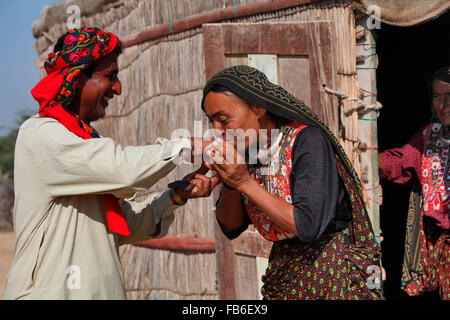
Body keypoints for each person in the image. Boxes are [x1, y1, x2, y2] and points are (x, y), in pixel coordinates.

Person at [4, 27, 218, 299]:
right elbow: (123, 170)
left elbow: (123, 224)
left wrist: (175, 196)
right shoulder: (40, 135)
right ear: (77, 77)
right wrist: (186, 145)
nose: (117, 88)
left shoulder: (83, 142)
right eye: (110, 76)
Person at [201, 65, 382, 300]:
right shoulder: (248, 151)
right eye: (211, 121)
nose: (217, 131)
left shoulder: (308, 141)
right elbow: (231, 227)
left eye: (223, 120)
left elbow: (307, 224)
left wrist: (244, 181)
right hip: (285, 276)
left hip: (332, 275)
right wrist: (229, 181)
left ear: (258, 107)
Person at [378, 65, 449, 299]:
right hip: (441, 245)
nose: (443, 105)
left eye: (449, 96)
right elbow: (400, 162)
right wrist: (365, 155)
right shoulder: (429, 136)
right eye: (437, 97)